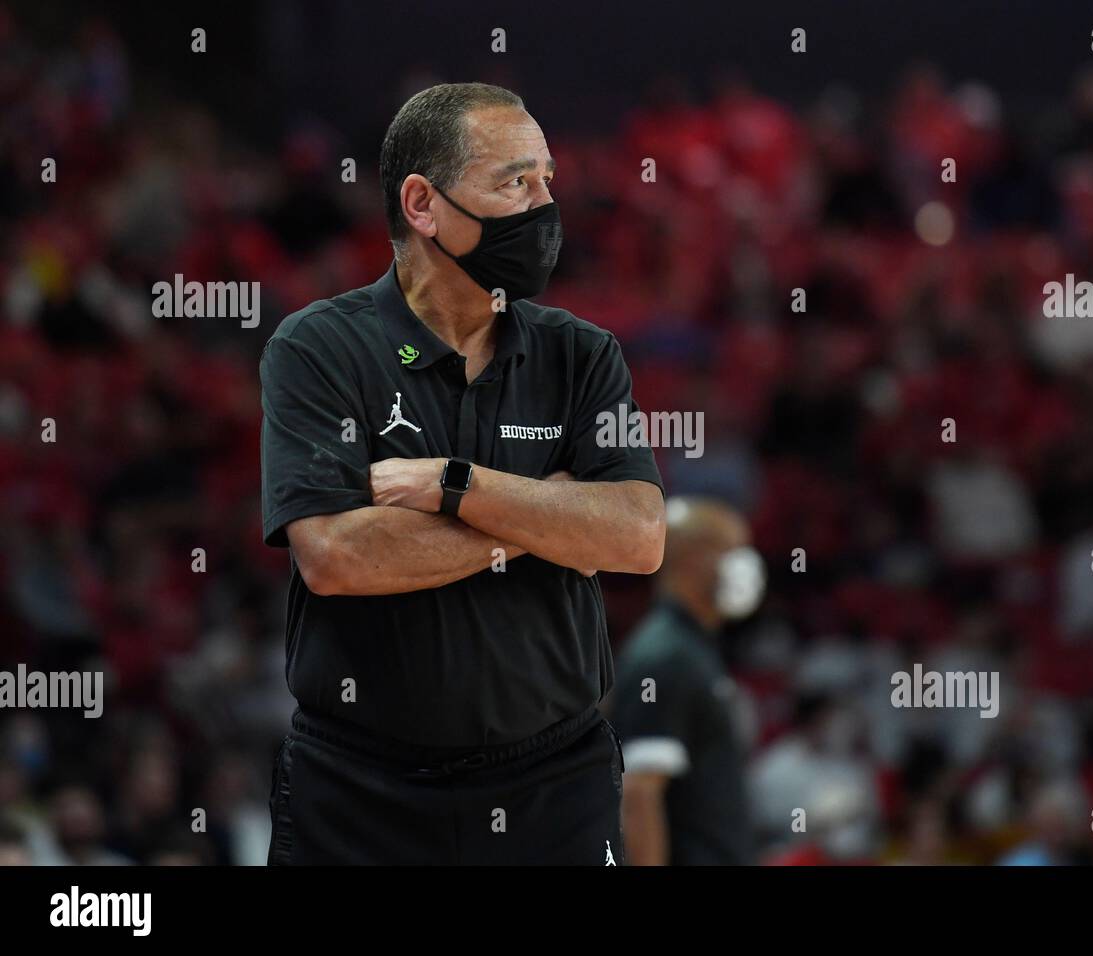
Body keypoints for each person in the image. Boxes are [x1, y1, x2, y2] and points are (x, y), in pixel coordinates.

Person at [258, 82, 666, 865]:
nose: (545, 207)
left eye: (547, 179)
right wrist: (550, 516)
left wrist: (460, 487)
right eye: (515, 182)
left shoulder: (582, 354)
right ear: (422, 204)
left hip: (556, 784)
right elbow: (337, 558)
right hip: (361, 796)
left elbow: (639, 537)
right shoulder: (316, 350)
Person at [610, 496, 763, 864]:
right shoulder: (667, 655)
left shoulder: (691, 647)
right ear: (691, 558)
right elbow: (638, 796)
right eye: (733, 550)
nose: (747, 564)